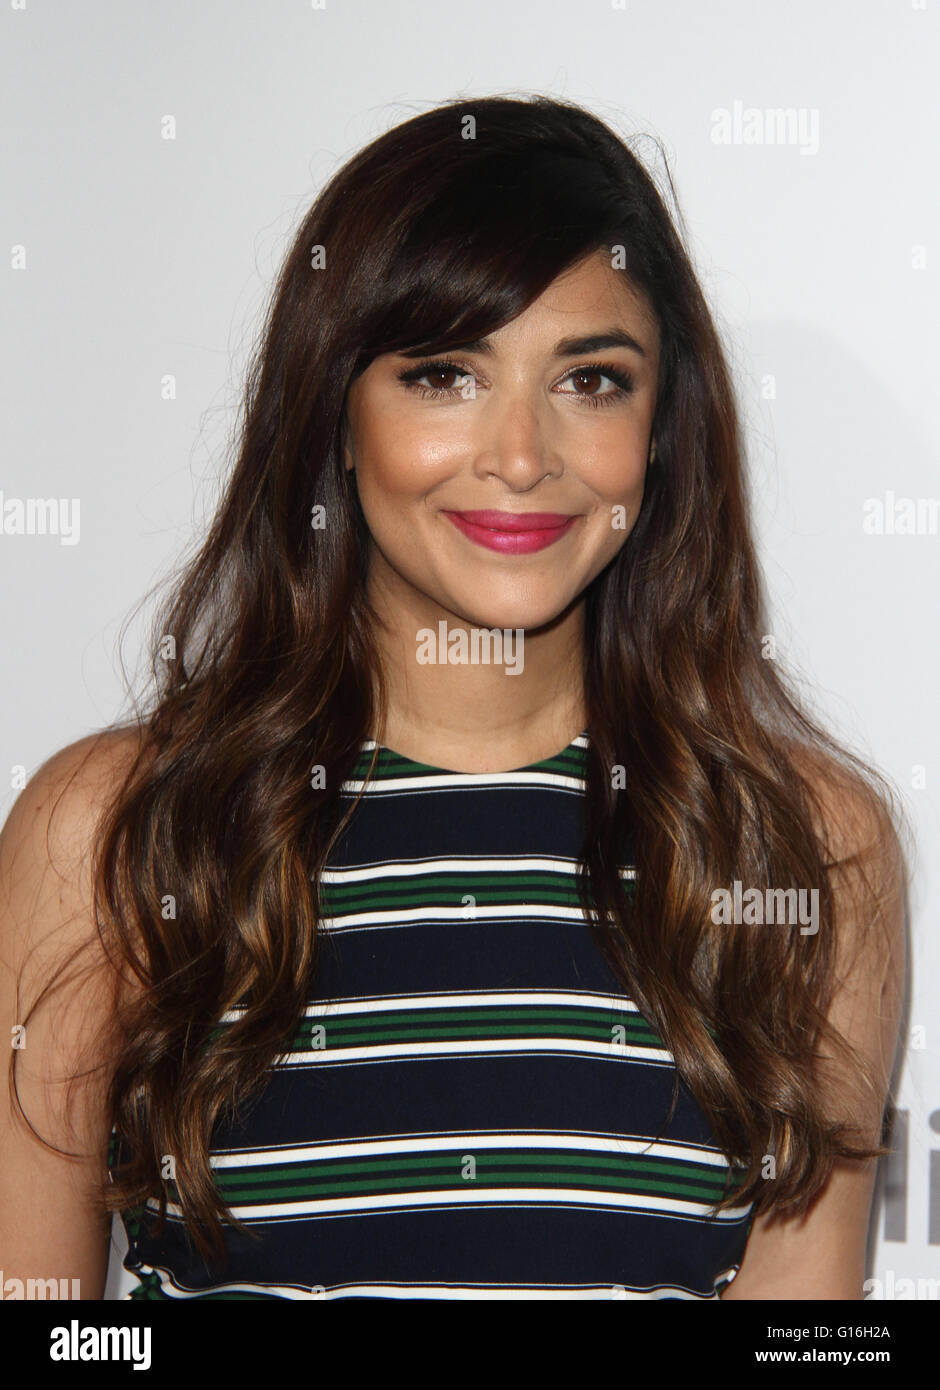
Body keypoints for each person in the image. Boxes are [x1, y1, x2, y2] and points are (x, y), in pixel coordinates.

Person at [0, 94, 908, 1301]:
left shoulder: (802, 849)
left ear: (661, 433)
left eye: (591, 380)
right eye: (444, 374)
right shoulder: (115, 829)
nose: (522, 455)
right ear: (335, 412)